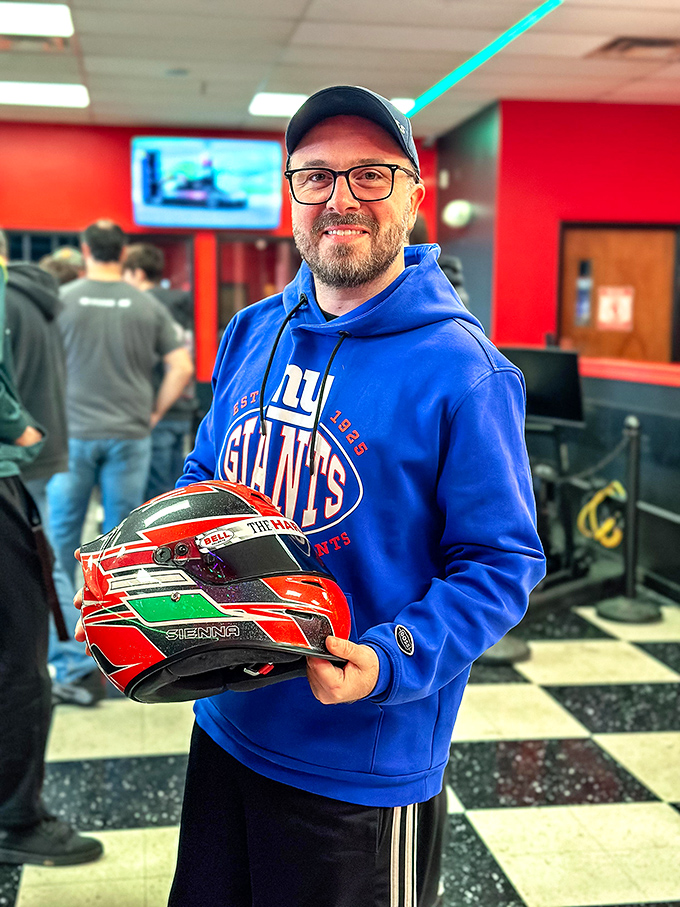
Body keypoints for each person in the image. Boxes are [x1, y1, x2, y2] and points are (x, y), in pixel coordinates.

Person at [77, 86, 545, 906]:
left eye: (371, 175)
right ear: (291, 191)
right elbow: (205, 480)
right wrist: (138, 575)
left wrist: (389, 658)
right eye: (316, 176)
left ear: (412, 194)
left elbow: (502, 562)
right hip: (227, 721)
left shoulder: (466, 372)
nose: (341, 199)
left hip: (361, 759)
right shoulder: (252, 329)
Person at [47, 220, 193, 677]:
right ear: (123, 252)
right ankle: (123, 658)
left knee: (59, 547)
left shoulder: (62, 301)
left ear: (86, 249)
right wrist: (152, 412)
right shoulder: (145, 305)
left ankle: (71, 663)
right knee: (121, 553)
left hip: (73, 436)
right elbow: (182, 366)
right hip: (131, 436)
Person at [0, 246, 103, 867]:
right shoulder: (38, 302)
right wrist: (22, 428)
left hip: (22, 469)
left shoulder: (20, 299)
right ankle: (15, 817)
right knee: (20, 657)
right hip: (26, 463)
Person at [122, 242, 197, 499]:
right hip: (185, 406)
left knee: (152, 497)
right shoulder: (183, 304)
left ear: (138, 273)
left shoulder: (140, 307)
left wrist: (153, 412)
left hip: (156, 409)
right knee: (175, 492)